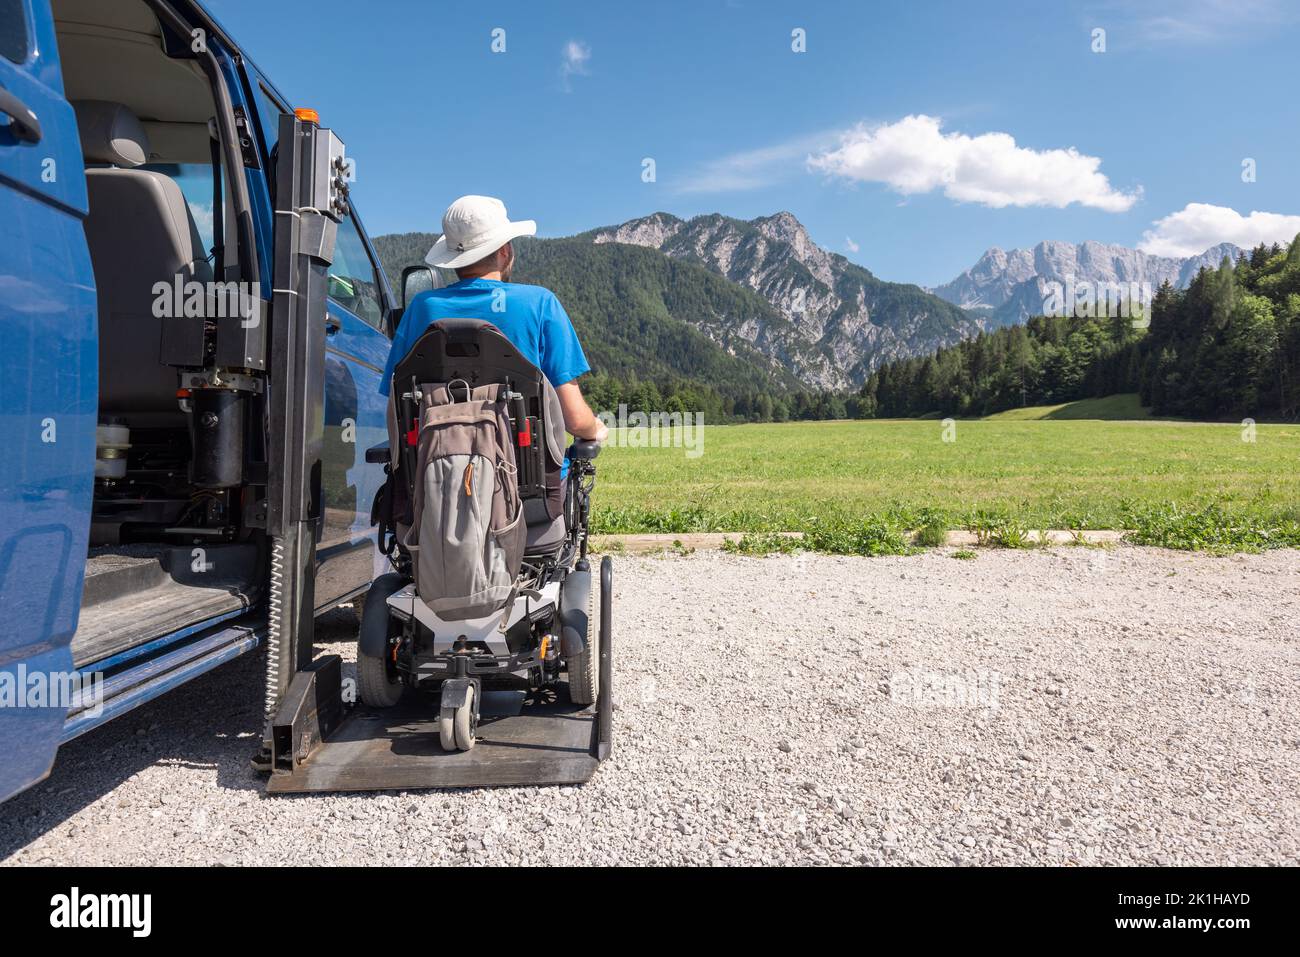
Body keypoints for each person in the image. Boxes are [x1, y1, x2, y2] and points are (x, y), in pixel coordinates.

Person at [380, 195, 609, 451]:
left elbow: (395, 404)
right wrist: (595, 428)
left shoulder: (423, 307)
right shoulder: (540, 303)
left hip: (433, 476)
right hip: (530, 482)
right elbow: (575, 420)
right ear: (504, 250)